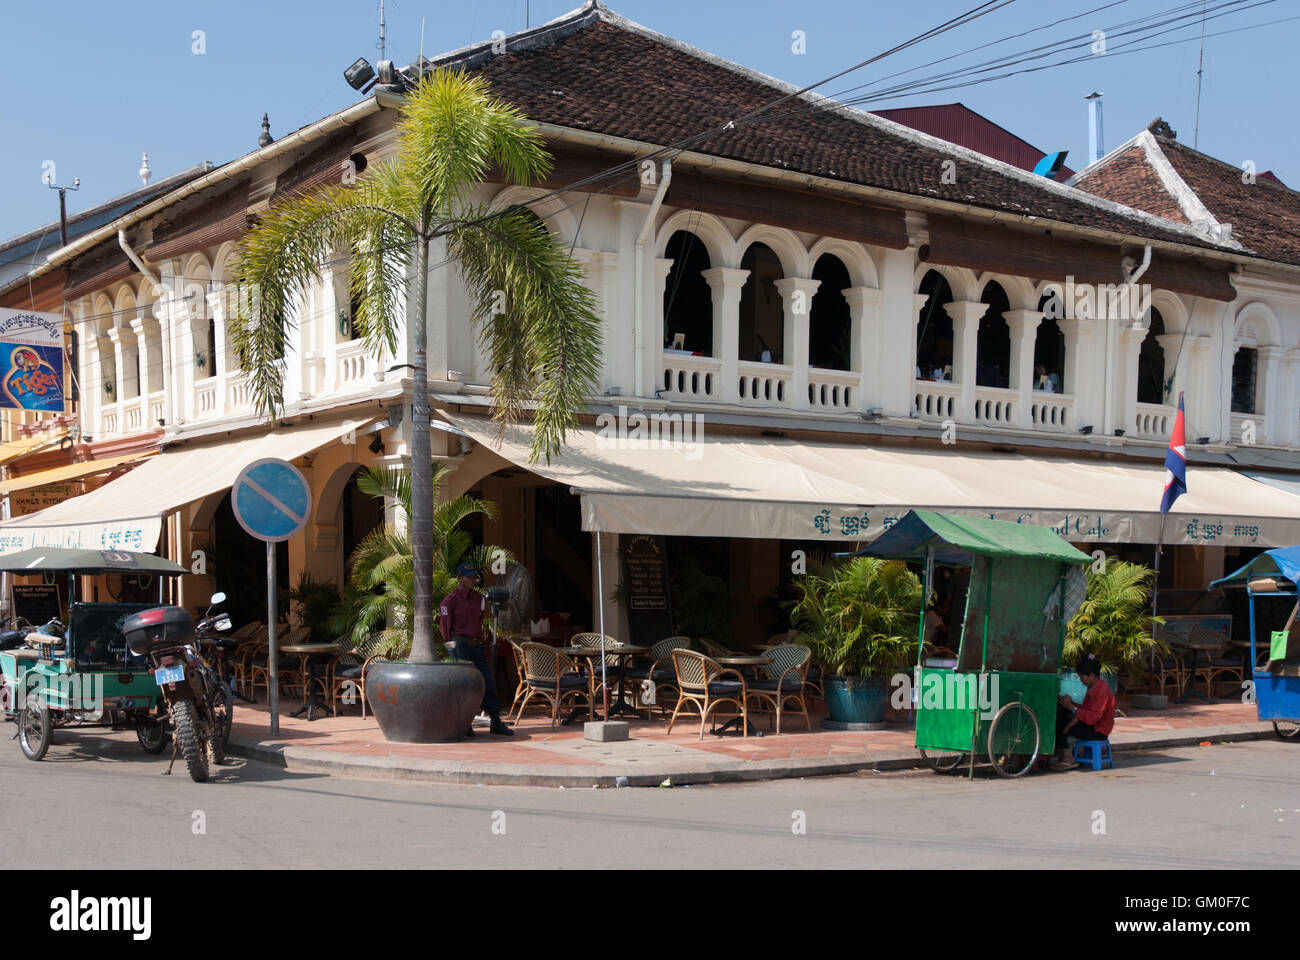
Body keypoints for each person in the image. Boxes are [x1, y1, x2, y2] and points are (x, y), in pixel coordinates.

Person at [440, 562, 513, 736]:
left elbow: (480, 622)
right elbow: (445, 628)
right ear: (460, 578)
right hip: (460, 646)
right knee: (464, 686)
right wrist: (452, 651)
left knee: (486, 682)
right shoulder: (449, 601)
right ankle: (465, 723)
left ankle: (495, 720)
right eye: (469, 577)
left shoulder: (479, 599)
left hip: (475, 645)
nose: (473, 580)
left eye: (474, 577)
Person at [1050, 653, 1115, 769]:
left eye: (1082, 677)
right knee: (1060, 712)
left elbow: (1092, 718)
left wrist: (1072, 708)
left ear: (1091, 675)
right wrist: (1071, 703)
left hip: (1097, 730)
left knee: (1060, 725)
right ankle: (1061, 754)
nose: (1081, 680)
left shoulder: (1102, 691)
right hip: (1091, 724)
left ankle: (1068, 757)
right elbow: (1085, 709)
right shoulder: (1094, 687)